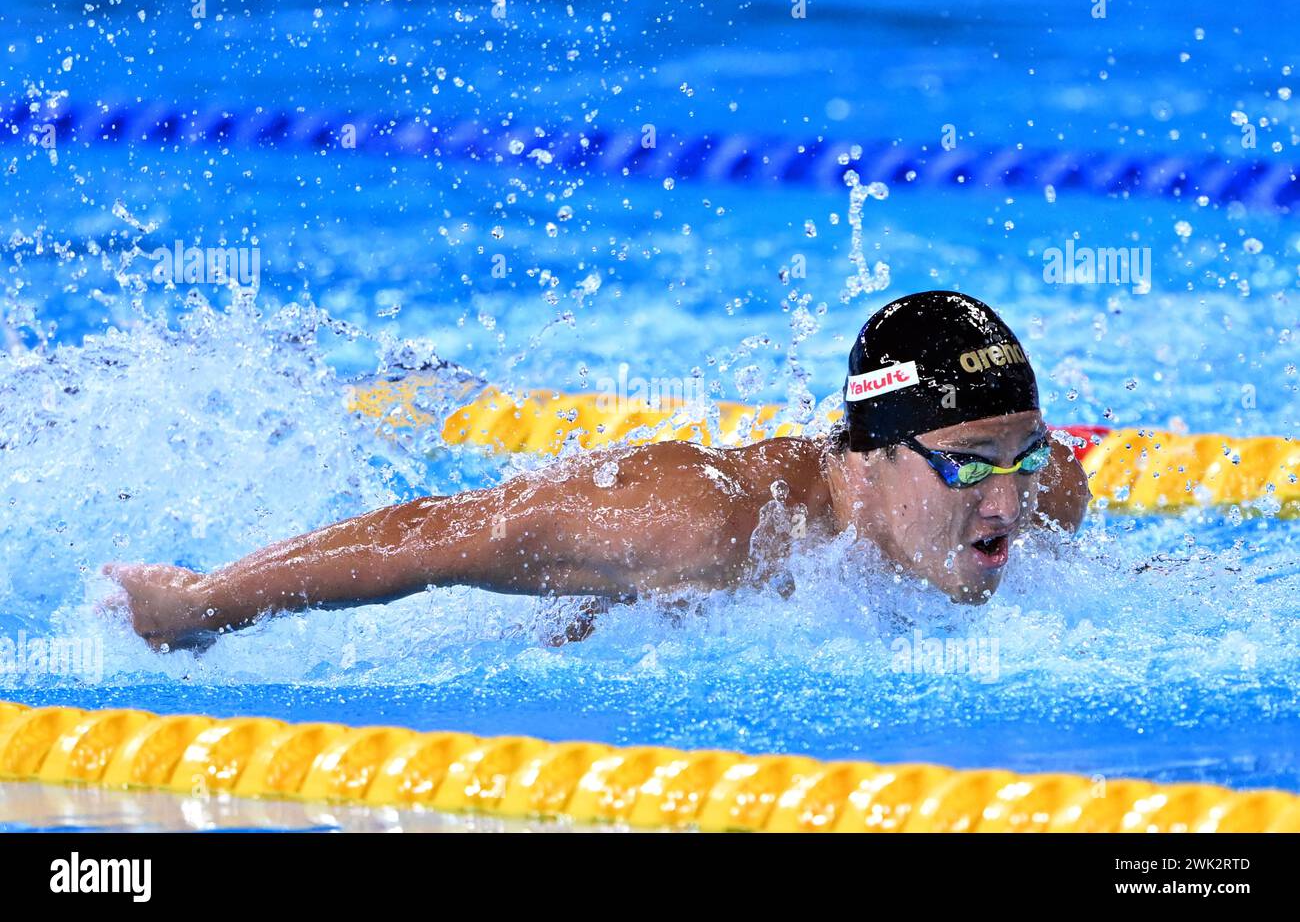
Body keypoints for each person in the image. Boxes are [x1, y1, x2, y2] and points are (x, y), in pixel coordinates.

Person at [103, 290, 1090, 650]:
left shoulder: (1046, 493)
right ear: (869, 459)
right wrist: (204, 603)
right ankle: (429, 390)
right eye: (967, 465)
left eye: (1023, 452)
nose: (1007, 494)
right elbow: (445, 532)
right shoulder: (706, 523)